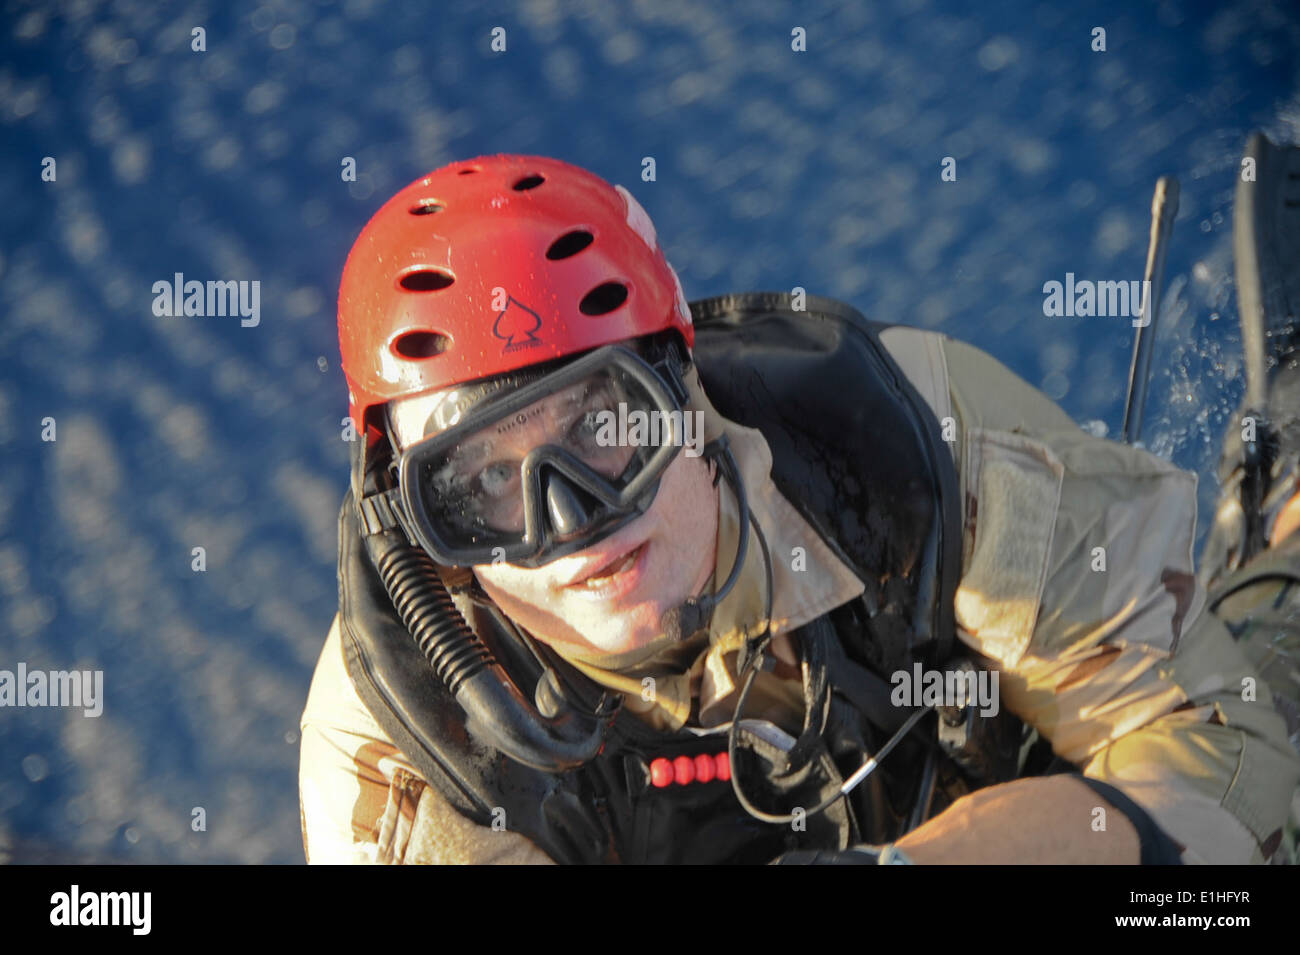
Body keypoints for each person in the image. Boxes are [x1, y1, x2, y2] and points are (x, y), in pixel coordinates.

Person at [299, 152, 1300, 864]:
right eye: (482, 486)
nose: (573, 523)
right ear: (412, 519)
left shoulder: (914, 446)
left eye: (604, 427)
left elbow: (1229, 772)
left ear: (682, 383)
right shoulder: (402, 739)